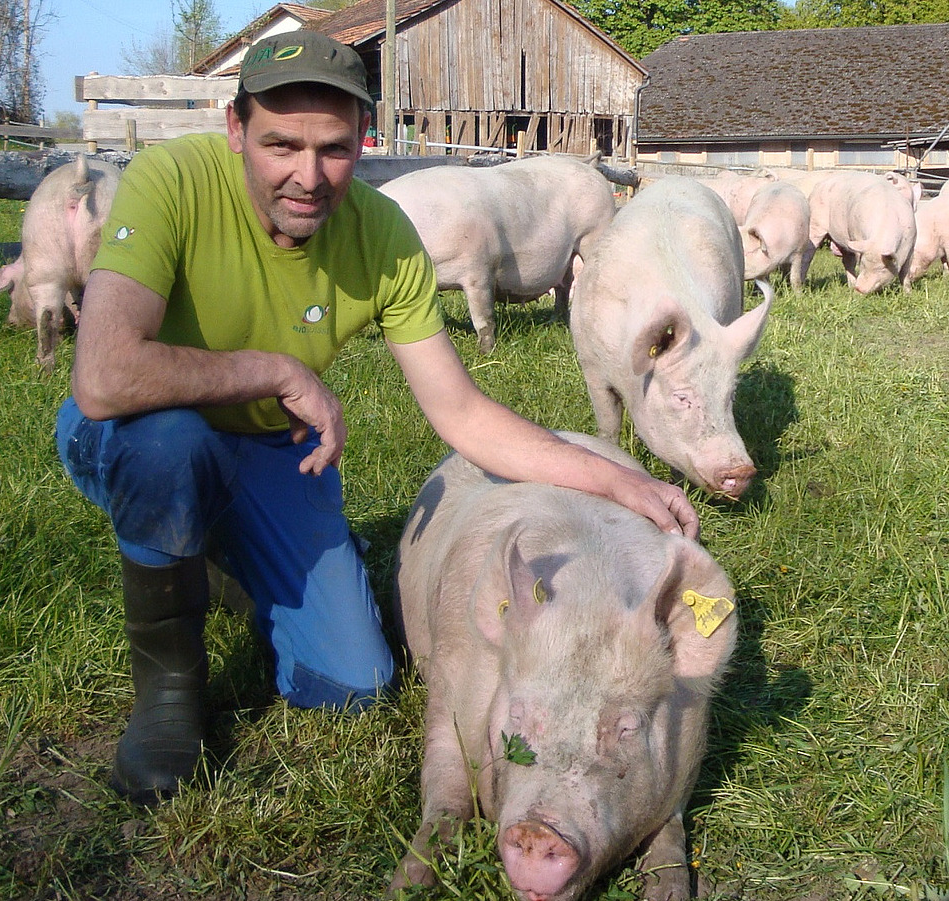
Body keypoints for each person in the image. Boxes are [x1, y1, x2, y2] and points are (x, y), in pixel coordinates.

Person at [55, 30, 699, 804]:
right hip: (142, 429)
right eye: (281, 145)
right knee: (171, 447)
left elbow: (463, 413)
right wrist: (276, 369)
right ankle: (168, 690)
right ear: (235, 130)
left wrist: (616, 480)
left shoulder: (383, 235)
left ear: (362, 138)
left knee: (354, 683)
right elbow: (104, 376)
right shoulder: (172, 180)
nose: (308, 176)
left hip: (273, 449)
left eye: (333, 149)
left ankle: (220, 551)